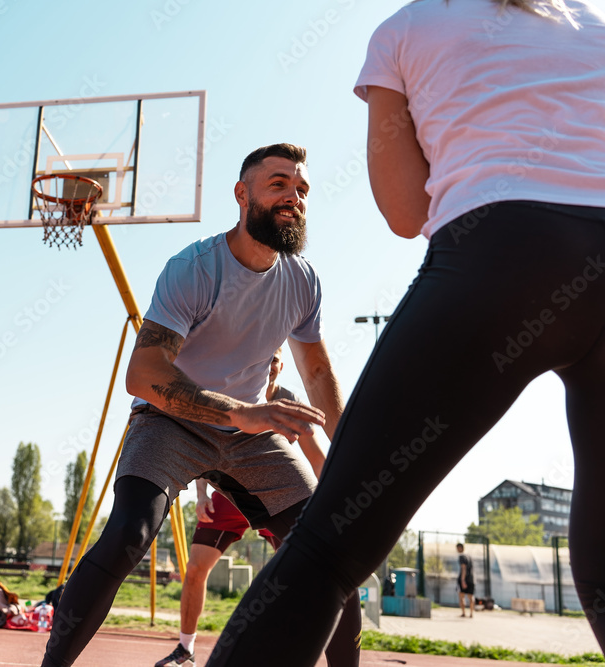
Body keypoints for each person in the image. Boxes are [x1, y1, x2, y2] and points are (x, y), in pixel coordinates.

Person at [206, 2, 605, 664]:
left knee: (328, 548)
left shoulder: (404, 31)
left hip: (502, 252)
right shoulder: (592, 25)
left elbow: (405, 209)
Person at [41, 143, 361, 667]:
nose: (294, 197)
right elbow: (143, 374)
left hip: (253, 434)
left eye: (301, 189)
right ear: (242, 194)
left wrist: (351, 448)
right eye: (278, 184)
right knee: (128, 533)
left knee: (327, 550)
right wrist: (239, 412)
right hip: (173, 420)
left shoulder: (303, 280)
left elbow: (319, 374)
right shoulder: (194, 268)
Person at [154, 349, 331, 667]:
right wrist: (202, 491)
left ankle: (288, 649)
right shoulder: (235, 392)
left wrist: (330, 498)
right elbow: (206, 441)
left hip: (276, 493)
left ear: (281, 364)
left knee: (300, 571)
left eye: (276, 357)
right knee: (195, 569)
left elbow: (316, 456)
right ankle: (185, 649)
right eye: (266, 357)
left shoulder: (288, 400)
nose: (270, 363)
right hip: (230, 491)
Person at [457, 543, 475, 618]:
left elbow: (463, 568)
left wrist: (463, 580)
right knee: (471, 597)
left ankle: (463, 612)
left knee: (462, 596)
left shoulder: (462, 557)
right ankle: (471, 613)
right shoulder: (469, 556)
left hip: (464, 579)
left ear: (460, 548)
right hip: (471, 579)